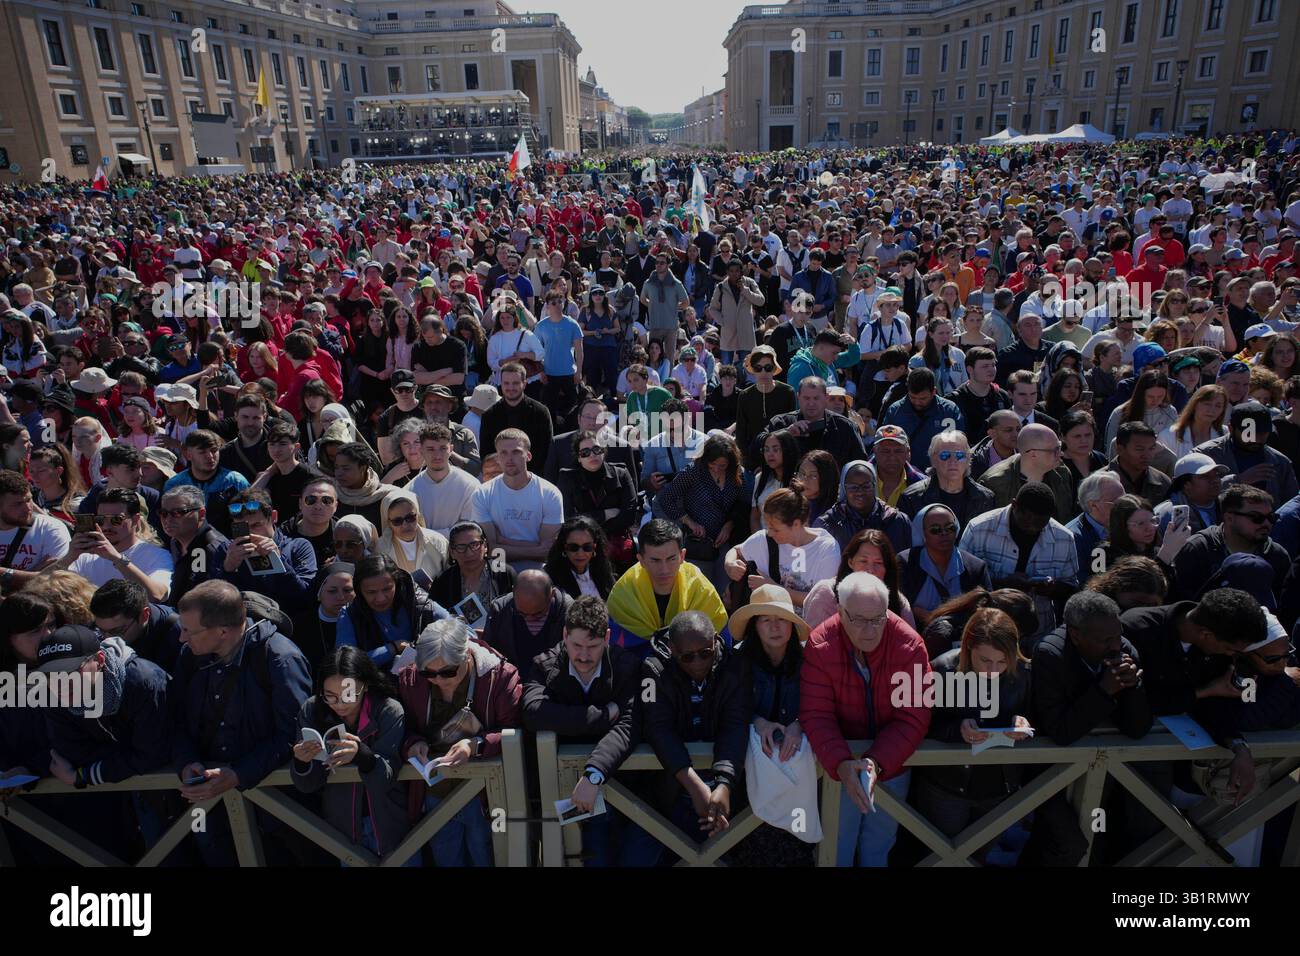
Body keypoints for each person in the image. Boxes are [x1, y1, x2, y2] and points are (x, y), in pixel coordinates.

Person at [171, 580, 312, 866]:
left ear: (222, 631)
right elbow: (175, 721)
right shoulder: (190, 656)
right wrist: (186, 761)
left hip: (277, 809)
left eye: (188, 631)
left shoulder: (281, 658)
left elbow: (295, 734)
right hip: (211, 807)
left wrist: (238, 774)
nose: (181, 638)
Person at [800, 572, 931, 866]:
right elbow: (816, 713)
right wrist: (841, 763)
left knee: (879, 847)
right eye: (859, 619)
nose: (869, 630)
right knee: (836, 846)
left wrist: (877, 762)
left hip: (892, 764)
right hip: (838, 764)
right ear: (840, 611)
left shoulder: (909, 646)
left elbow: (913, 716)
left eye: (877, 619)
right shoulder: (821, 644)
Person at [1028, 592, 1152, 865]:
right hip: (1048, 772)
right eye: (1106, 640)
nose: (1116, 645)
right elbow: (1060, 730)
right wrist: (1105, 690)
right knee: (1065, 843)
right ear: (1075, 635)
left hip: (1106, 770)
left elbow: (1137, 728)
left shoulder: (1125, 650)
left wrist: (1133, 688)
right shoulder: (1050, 654)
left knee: (1103, 843)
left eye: (1118, 635)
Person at [521, 594, 646, 866]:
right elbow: (533, 713)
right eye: (576, 645)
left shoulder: (627, 667)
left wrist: (594, 775)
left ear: (608, 637)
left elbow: (630, 725)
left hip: (624, 786)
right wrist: (600, 717)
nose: (583, 655)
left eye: (593, 646)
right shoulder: (545, 665)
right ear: (564, 635)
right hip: (560, 791)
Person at [396, 618, 522, 867]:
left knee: (487, 854)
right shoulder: (409, 679)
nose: (439, 680)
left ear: (467, 655)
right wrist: (413, 742)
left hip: (487, 795)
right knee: (445, 857)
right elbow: (399, 726)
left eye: (447, 672)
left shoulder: (501, 677)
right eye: (428, 673)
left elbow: (516, 730)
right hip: (434, 791)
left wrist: (476, 745)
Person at [911, 608, 1031, 861]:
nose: (994, 670)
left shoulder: (1023, 672)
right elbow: (916, 726)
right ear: (967, 647)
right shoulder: (941, 670)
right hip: (947, 786)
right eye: (985, 661)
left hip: (999, 786)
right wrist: (956, 730)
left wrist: (1022, 723)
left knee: (979, 857)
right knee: (939, 858)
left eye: (1002, 662)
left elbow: (1041, 719)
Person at [290, 645, 411, 860]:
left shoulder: (389, 710)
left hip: (389, 823)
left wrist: (362, 756)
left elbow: (387, 777)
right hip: (342, 829)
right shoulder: (311, 709)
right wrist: (301, 763)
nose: (340, 705)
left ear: (365, 685)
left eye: (348, 695)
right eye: (330, 696)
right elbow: (307, 785)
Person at [640, 610, 748, 848]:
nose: (698, 662)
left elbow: (735, 725)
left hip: (726, 796)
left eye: (705, 653)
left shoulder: (734, 666)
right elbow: (657, 729)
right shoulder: (652, 671)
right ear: (671, 648)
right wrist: (693, 784)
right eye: (687, 657)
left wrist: (725, 783)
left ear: (715, 640)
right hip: (670, 794)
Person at [960, 482, 1081, 641]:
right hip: (986, 631)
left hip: (1038, 634)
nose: (1032, 528)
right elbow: (961, 581)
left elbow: (1071, 586)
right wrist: (1003, 583)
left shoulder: (1064, 538)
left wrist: (1053, 588)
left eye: (1039, 524)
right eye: (1026, 521)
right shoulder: (978, 529)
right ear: (1014, 505)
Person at [606, 519, 728, 657]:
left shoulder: (700, 589)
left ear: (682, 556)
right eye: (655, 560)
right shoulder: (624, 594)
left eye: (671, 559)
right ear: (641, 560)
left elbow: (720, 639)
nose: (664, 569)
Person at [724, 485, 841, 613]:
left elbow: (821, 601)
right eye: (768, 526)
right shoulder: (765, 540)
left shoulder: (826, 548)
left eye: (775, 529)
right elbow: (736, 551)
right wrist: (730, 564)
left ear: (796, 524)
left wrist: (772, 588)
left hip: (810, 627)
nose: (770, 533)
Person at [1172, 483, 1292, 603]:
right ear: (1229, 518)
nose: (1266, 524)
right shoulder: (1198, 550)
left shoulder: (1277, 556)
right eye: (1256, 517)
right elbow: (1183, 605)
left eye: (1271, 517)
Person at [469, 428, 564, 572]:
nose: (509, 458)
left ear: (528, 456)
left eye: (516, 452)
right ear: (498, 457)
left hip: (539, 571)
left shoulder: (550, 493)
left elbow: (546, 552)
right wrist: (535, 548)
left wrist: (503, 541)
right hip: (498, 569)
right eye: (503, 453)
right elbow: (491, 550)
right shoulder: (482, 493)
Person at [59, 487, 173, 603]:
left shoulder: (156, 555)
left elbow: (157, 595)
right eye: (101, 519)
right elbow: (43, 589)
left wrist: (117, 558)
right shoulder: (85, 555)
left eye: (116, 520)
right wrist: (68, 558)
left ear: (135, 520)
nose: (106, 526)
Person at [336, 554, 445, 668]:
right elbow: (346, 664)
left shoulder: (419, 602)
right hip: (375, 683)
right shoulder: (349, 614)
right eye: (371, 592)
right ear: (359, 591)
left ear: (396, 583)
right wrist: (393, 648)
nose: (381, 598)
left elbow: (460, 629)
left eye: (387, 589)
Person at [896, 505, 993, 628]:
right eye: (935, 530)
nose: (944, 533)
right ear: (923, 533)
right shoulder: (906, 562)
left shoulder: (976, 567)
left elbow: (986, 611)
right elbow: (897, 605)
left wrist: (932, 617)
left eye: (950, 528)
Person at [1194, 400, 1299, 508]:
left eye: (1262, 433)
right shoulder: (1205, 455)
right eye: (1249, 434)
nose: (1256, 439)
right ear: (1231, 429)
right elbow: (1193, 497)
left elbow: (1291, 506)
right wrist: (1238, 480)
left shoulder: (1280, 462)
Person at [555, 430, 639, 559]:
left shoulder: (621, 473)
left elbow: (629, 515)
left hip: (617, 545)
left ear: (604, 451)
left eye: (596, 449)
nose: (592, 455)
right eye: (585, 453)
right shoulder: (567, 478)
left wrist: (589, 519)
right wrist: (606, 514)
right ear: (578, 458)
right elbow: (569, 519)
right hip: (582, 546)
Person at [757, 376, 867, 467]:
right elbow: (755, 449)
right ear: (798, 397)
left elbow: (859, 464)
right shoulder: (781, 423)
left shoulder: (845, 427)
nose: (811, 403)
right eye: (806, 398)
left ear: (826, 398)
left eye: (816, 398)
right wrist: (785, 434)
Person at [897, 430, 998, 528]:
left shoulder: (986, 498)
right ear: (933, 459)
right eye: (945, 455)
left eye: (960, 455)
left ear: (968, 460)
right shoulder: (911, 498)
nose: (953, 461)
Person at [978, 423, 1075, 522]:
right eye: (1055, 450)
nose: (1061, 453)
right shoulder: (994, 483)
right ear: (1033, 454)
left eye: (1059, 446)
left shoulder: (1062, 473)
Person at [482, 569, 572, 675]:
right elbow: (489, 657)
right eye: (522, 614)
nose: (529, 619)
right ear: (514, 592)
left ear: (552, 594)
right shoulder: (500, 611)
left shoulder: (568, 613)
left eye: (538, 614)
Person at [813, 460, 911, 555]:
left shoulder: (897, 521)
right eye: (853, 487)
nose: (860, 492)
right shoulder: (828, 523)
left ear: (875, 485)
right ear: (844, 488)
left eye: (866, 486)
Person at [880, 368, 966, 472]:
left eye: (922, 399)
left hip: (940, 474)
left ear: (934, 391)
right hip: (906, 474)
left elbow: (959, 446)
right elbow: (885, 445)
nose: (917, 402)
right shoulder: (895, 411)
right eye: (913, 397)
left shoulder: (949, 410)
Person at [0, 468, 70, 592]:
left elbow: (55, 581)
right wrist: (37, 574)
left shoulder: (50, 528)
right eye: (18, 504)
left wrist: (4, 573)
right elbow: (43, 577)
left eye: (29, 500)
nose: (28, 508)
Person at [479, 364, 554, 475]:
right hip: (501, 478)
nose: (510, 388)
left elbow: (546, 451)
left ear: (524, 383)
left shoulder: (540, 413)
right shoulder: (489, 416)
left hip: (533, 477)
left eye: (515, 383)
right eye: (506, 383)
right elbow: (486, 453)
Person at [408, 423, 478, 540]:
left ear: (451, 449)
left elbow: (470, 531)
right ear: (421, 450)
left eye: (443, 448)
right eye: (430, 449)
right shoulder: (409, 490)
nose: (437, 455)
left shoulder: (470, 485)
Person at [376, 488, 450, 593]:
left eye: (410, 517)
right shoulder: (379, 549)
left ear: (418, 515)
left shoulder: (438, 541)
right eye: (397, 521)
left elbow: (450, 576)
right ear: (388, 522)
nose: (405, 525)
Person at [734, 347, 796, 468]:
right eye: (758, 368)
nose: (763, 372)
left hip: (782, 458)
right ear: (753, 370)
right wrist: (748, 462)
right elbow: (741, 434)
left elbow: (791, 428)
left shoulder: (787, 392)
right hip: (753, 460)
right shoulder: (745, 396)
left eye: (768, 368)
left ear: (774, 369)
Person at [1065, 471, 1126, 576]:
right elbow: (1083, 581)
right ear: (1093, 505)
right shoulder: (1073, 538)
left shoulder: (1130, 524)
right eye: (1116, 503)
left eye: (1126, 499)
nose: (1125, 506)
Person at [544, 515, 617, 600]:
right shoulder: (550, 579)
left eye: (587, 547)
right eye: (573, 547)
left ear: (594, 547)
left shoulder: (603, 571)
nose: (580, 553)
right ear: (564, 547)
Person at [1106, 422, 1173, 504]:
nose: (1147, 455)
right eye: (1140, 449)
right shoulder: (1100, 483)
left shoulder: (1163, 483)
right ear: (1120, 449)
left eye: (1151, 449)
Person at [1159, 385, 1228, 459]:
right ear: (1194, 404)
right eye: (1207, 404)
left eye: (1218, 406)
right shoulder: (1169, 435)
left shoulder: (1226, 433)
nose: (1211, 410)